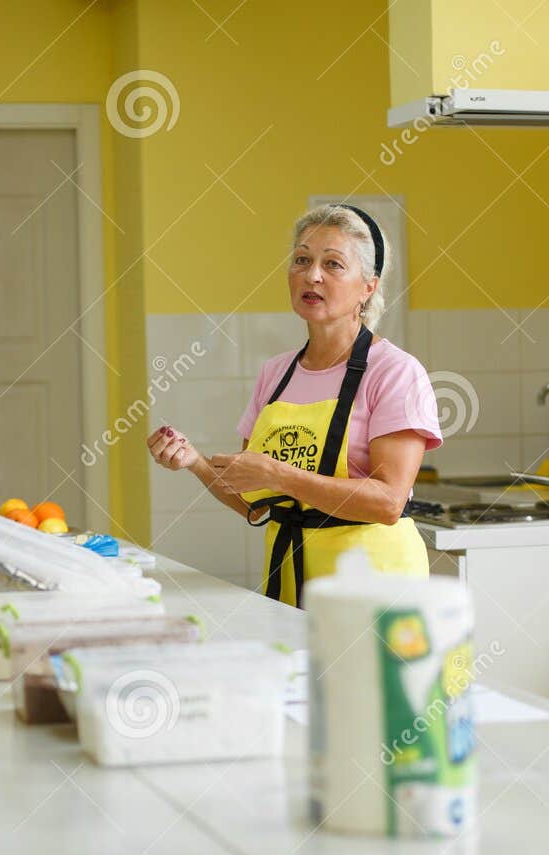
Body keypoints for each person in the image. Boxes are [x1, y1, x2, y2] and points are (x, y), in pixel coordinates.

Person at [148, 204, 442, 607]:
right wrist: (195, 462)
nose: (312, 274)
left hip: (376, 588)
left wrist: (280, 475)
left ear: (368, 287)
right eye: (302, 259)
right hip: (291, 578)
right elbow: (257, 501)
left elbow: (389, 502)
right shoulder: (276, 373)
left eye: (333, 264)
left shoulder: (395, 372)